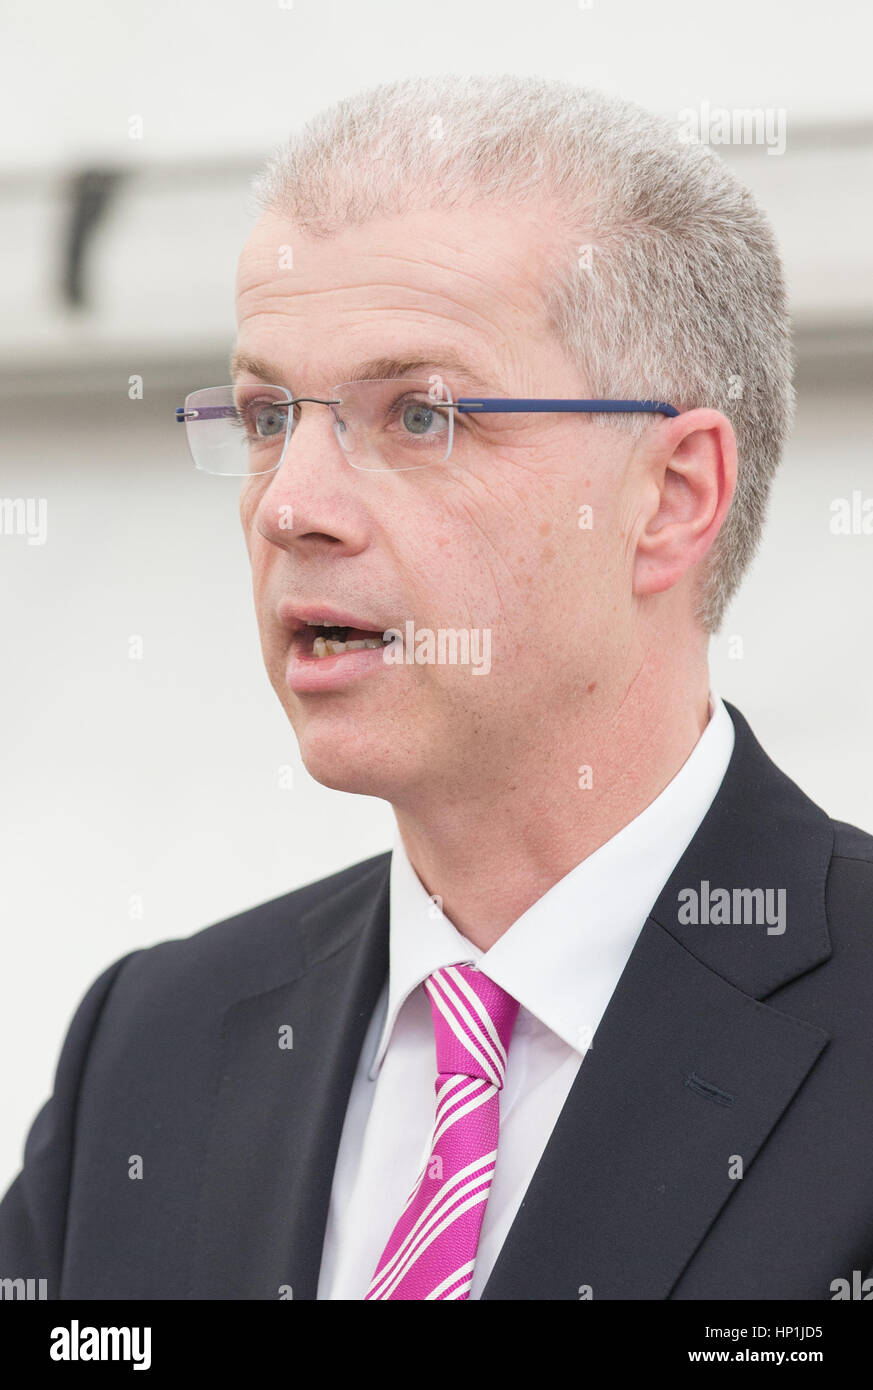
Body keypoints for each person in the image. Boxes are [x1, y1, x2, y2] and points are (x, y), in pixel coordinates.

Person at [2, 73, 871, 1302]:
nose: (291, 505)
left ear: (670, 496)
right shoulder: (153, 1047)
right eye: (265, 417)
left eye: (418, 413)